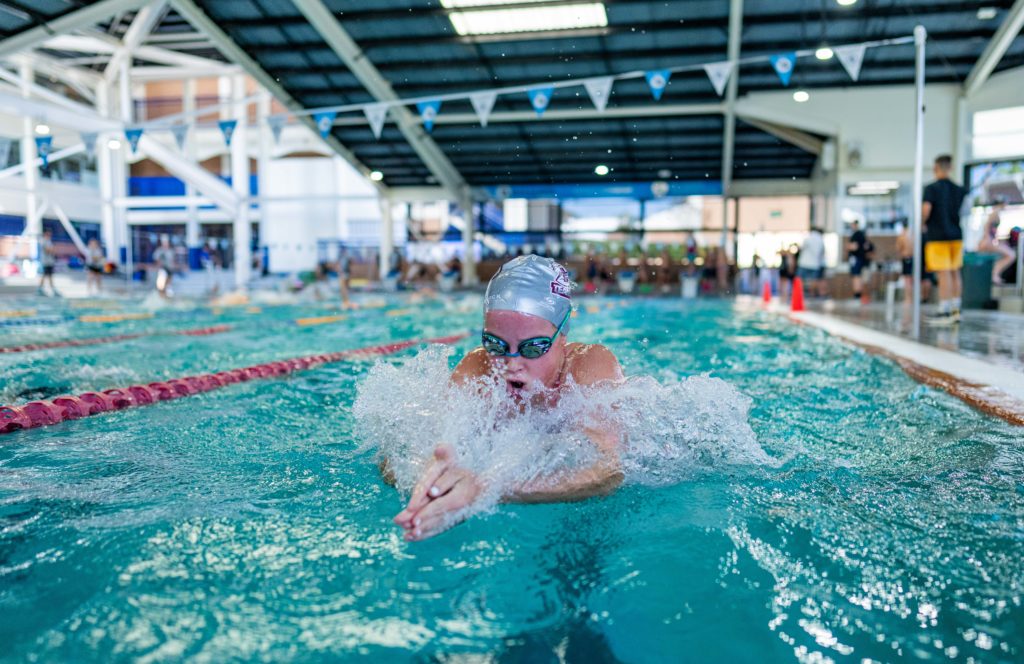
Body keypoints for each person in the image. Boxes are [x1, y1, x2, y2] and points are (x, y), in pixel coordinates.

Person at [389, 255, 624, 542]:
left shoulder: (590, 367)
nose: (511, 364)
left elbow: (608, 469)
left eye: (533, 347)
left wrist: (491, 488)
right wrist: (429, 481)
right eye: (495, 344)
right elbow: (410, 446)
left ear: (562, 337)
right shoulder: (477, 370)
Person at [922, 154, 967, 323]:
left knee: (944, 273)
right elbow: (964, 212)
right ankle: (956, 309)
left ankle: (944, 310)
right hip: (956, 235)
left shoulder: (931, 189)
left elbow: (926, 210)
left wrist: (922, 223)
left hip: (937, 236)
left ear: (935, 168)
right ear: (950, 168)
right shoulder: (960, 190)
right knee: (955, 271)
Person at [978, 200, 1015, 285]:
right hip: (987, 242)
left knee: (1008, 255)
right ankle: (994, 274)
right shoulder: (995, 212)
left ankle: (994, 274)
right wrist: (988, 239)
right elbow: (987, 226)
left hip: (988, 241)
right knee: (1011, 255)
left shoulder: (995, 212)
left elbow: (993, 230)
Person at [847, 220, 874, 300]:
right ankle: (859, 294)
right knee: (859, 277)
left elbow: (854, 246)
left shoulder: (856, 235)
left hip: (857, 259)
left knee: (856, 276)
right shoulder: (861, 235)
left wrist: (848, 246)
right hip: (861, 260)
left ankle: (857, 295)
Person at [797, 227, 826, 298]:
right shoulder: (820, 240)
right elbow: (822, 252)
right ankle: (812, 294)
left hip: (804, 263)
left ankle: (799, 293)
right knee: (814, 279)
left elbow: (801, 248)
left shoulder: (808, 238)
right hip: (815, 263)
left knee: (799, 279)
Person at [152, 235, 176, 299]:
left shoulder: (171, 251)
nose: (166, 244)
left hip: (169, 269)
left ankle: (167, 295)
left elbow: (172, 261)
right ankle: (161, 295)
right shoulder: (159, 251)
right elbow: (156, 260)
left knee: (168, 285)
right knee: (161, 285)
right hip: (162, 269)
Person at [37, 229, 59, 297]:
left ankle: (52, 289)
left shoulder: (48, 241)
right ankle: (40, 289)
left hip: (49, 262)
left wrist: (52, 250)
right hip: (46, 262)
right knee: (45, 275)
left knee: (49, 276)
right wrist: (52, 250)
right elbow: (47, 250)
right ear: (45, 234)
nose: (50, 235)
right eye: (48, 234)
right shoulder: (44, 241)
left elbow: (52, 250)